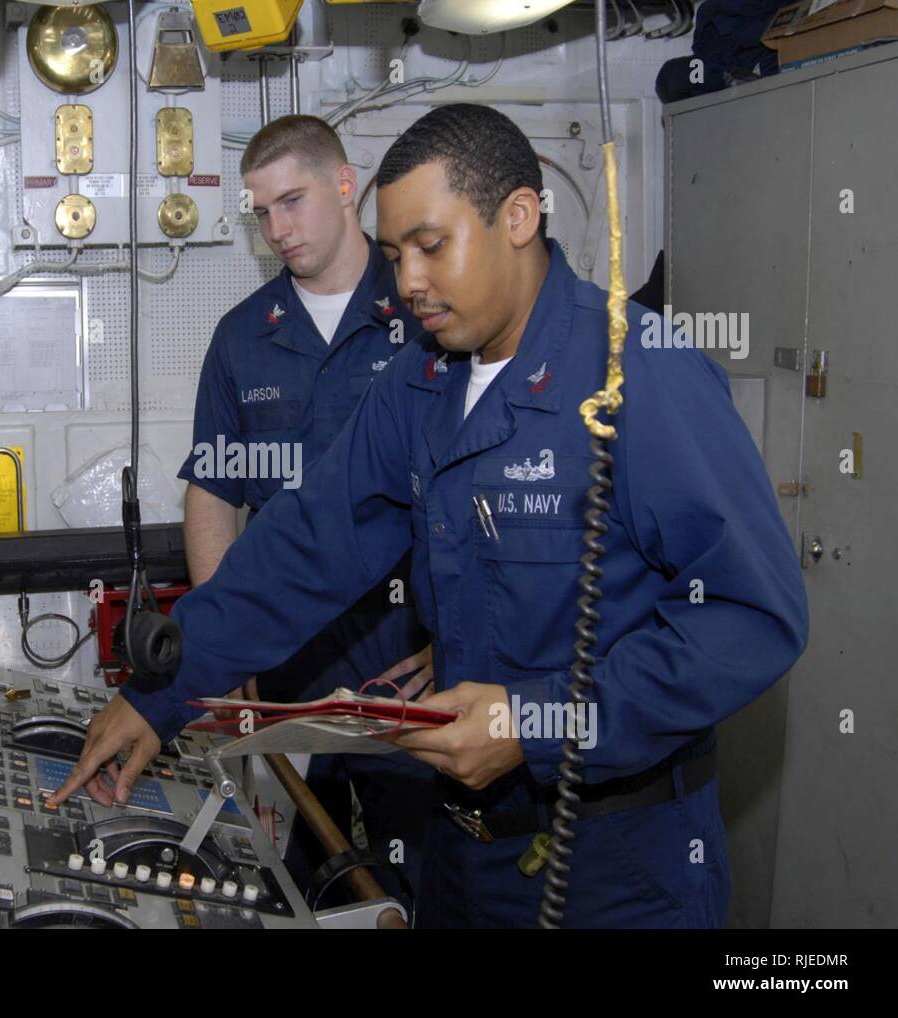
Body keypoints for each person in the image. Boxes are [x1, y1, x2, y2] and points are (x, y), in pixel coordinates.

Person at [51, 103, 809, 928]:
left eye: (430, 246)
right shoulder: (420, 382)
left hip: (615, 866)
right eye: (392, 254)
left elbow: (750, 617)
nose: (407, 281)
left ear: (518, 216)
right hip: (461, 857)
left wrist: (536, 721)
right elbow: (306, 545)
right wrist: (163, 690)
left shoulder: (642, 376)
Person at [179, 114, 435, 905]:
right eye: (260, 213)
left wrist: (463, 646)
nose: (276, 230)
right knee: (284, 881)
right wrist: (231, 646)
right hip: (289, 666)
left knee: (419, 881)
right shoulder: (242, 339)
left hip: (410, 664)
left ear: (346, 183)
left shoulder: (430, 313)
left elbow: (477, 491)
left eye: (291, 201)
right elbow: (214, 494)